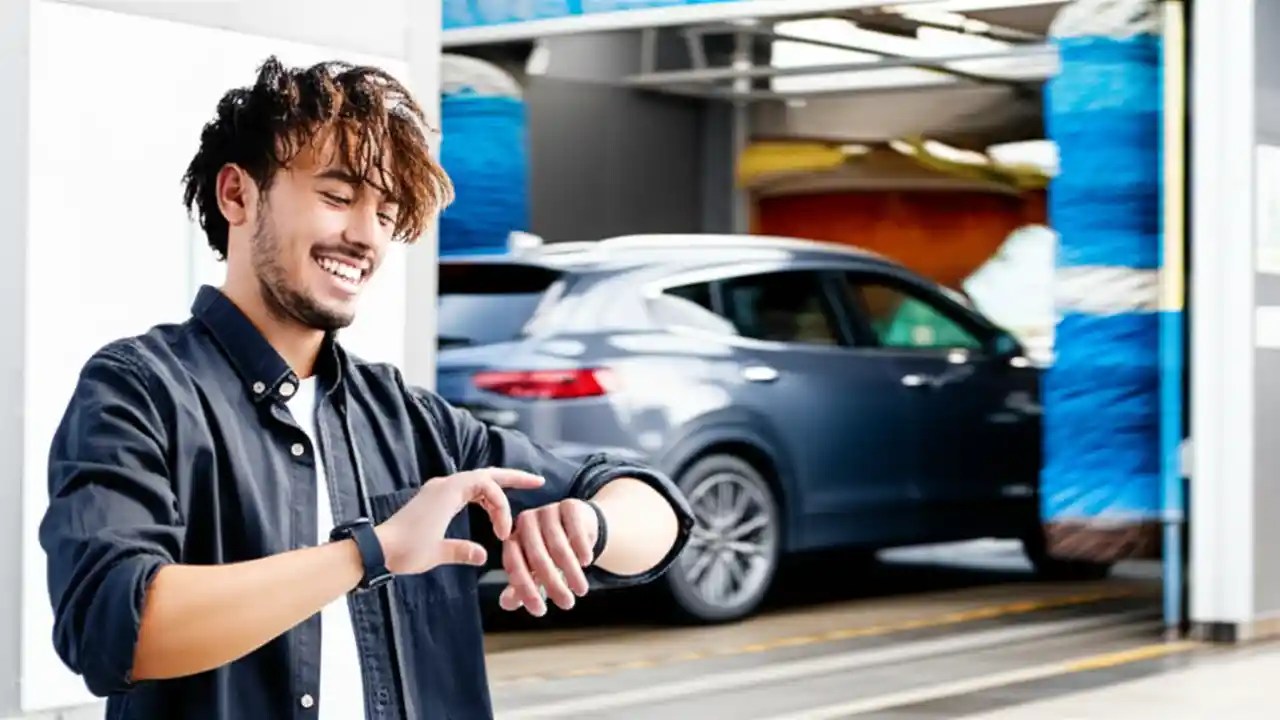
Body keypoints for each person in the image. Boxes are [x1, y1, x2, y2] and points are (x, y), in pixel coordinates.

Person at [38, 56, 694, 720]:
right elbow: (110, 625)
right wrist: (368, 553)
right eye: (338, 195)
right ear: (236, 194)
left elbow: (660, 514)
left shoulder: (412, 424)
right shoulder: (139, 391)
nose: (365, 236)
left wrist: (590, 521)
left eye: (385, 212)